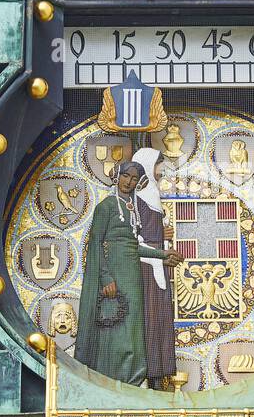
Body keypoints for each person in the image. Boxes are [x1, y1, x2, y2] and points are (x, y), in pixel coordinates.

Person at [74, 160, 182, 386]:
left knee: (133, 329)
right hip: (115, 277)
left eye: (134, 179)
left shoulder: (132, 209)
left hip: (133, 277)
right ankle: (112, 380)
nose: (129, 182)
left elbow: (131, 246)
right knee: (115, 329)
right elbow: (95, 244)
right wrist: (106, 278)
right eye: (126, 176)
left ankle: (132, 381)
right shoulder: (106, 207)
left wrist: (163, 255)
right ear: (118, 177)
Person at [132, 148, 178, 390]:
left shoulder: (150, 192)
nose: (161, 170)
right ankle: (149, 374)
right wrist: (161, 235)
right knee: (150, 319)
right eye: (159, 165)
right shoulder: (139, 196)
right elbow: (134, 236)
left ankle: (158, 373)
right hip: (146, 269)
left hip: (156, 266)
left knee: (158, 319)